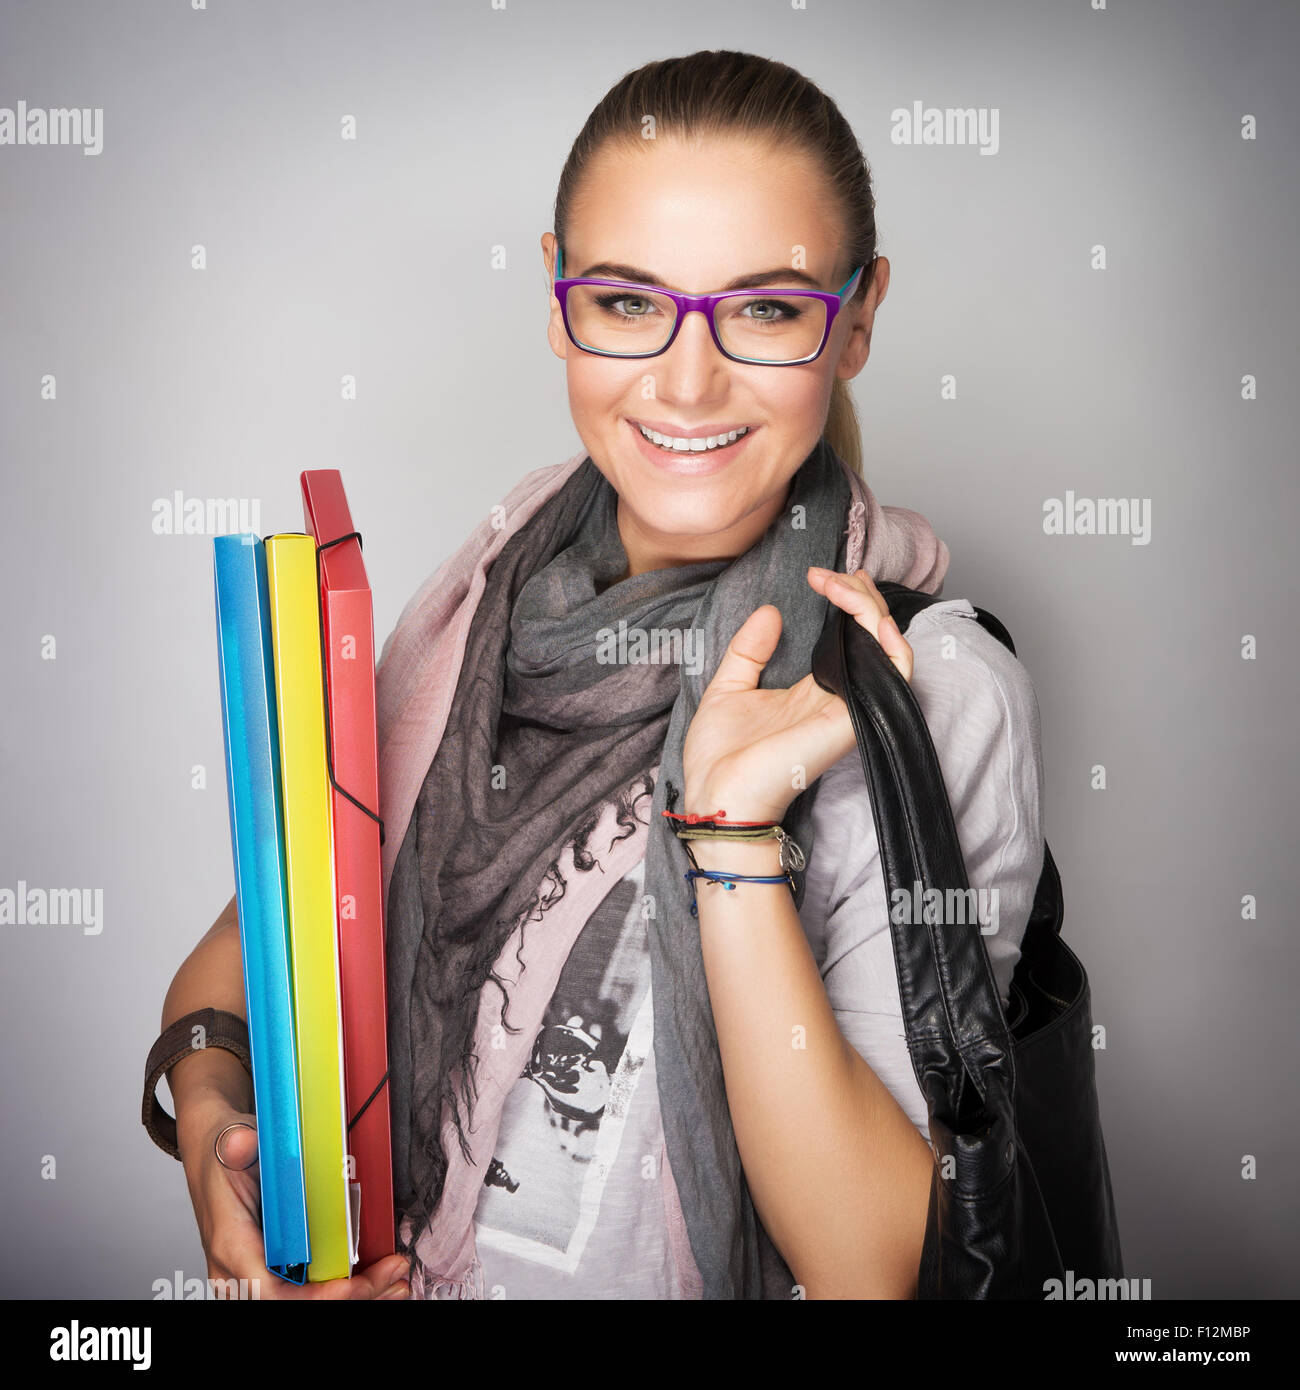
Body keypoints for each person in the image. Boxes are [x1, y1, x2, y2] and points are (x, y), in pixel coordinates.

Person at [149, 49, 1044, 1301]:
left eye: (767, 309)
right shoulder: (496, 577)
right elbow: (274, 936)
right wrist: (209, 1133)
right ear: (557, 295)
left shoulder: (920, 687)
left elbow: (877, 1270)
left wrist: (729, 840)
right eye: (627, 303)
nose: (685, 382)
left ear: (858, 316)